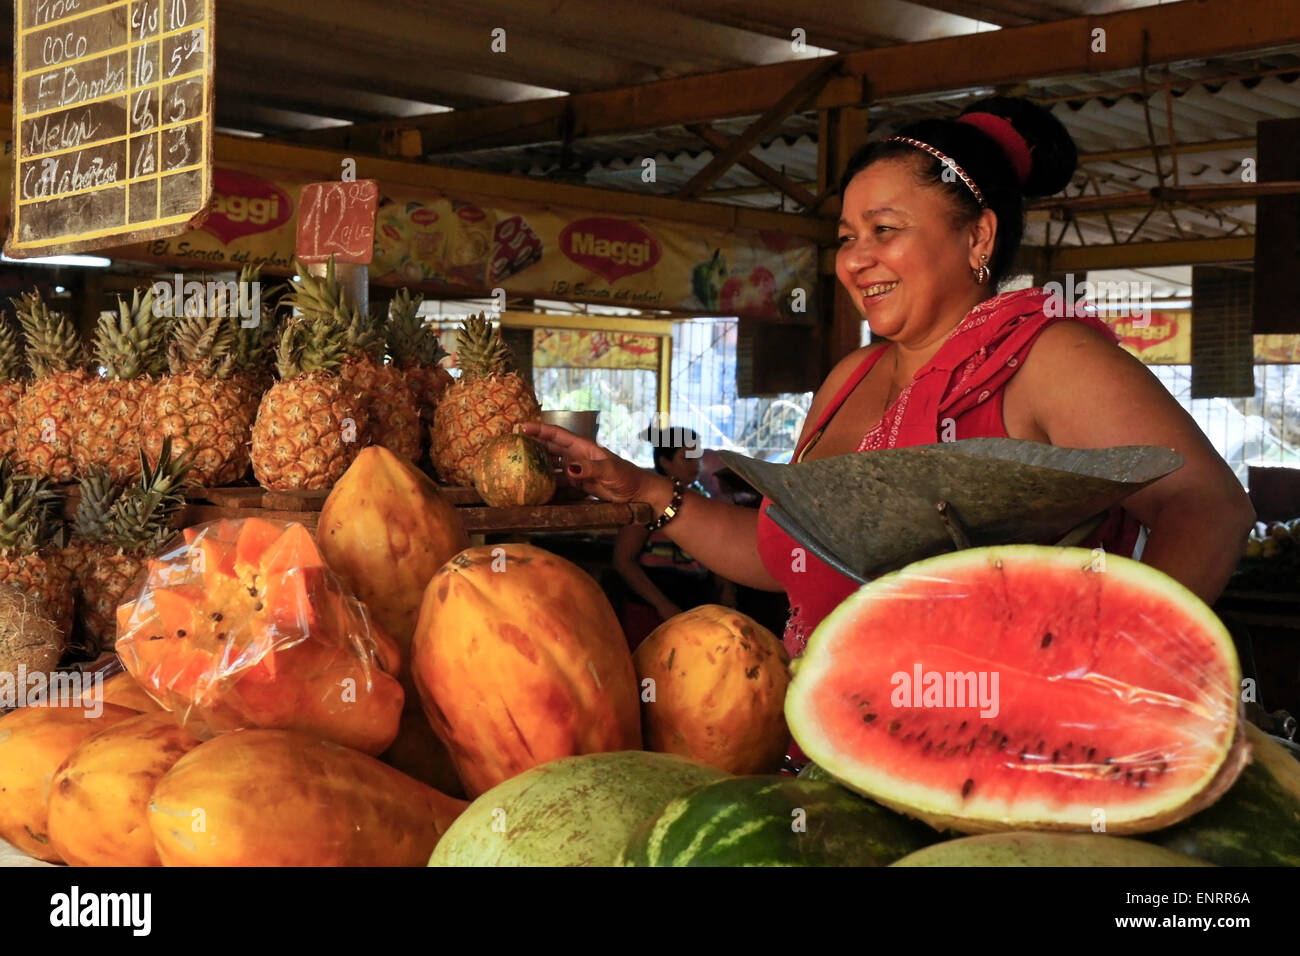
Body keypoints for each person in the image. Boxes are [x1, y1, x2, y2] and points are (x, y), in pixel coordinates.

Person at [519, 95, 1255, 674]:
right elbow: (789, 558)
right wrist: (647, 492)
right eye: (845, 237)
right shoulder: (849, 378)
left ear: (978, 238)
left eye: (884, 229)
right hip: (824, 744)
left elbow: (1210, 506)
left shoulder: (1046, 357)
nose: (855, 260)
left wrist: (1110, 664)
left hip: (983, 764)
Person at [608, 427, 716, 649]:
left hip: (695, 601)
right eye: (687, 458)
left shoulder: (703, 498)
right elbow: (623, 561)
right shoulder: (647, 503)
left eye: (698, 458)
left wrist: (726, 591)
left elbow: (717, 551)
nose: (696, 465)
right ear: (665, 462)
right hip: (652, 606)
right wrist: (661, 604)